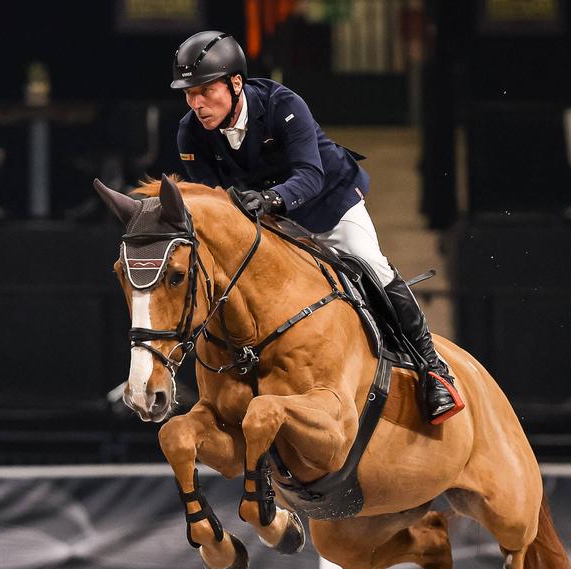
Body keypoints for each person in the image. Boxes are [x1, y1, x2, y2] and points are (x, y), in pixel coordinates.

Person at [170, 30, 461, 424]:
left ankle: (434, 371)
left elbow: (309, 174)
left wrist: (270, 200)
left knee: (369, 263)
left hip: (328, 203)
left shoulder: (282, 105)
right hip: (268, 222)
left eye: (205, 91)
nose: (196, 103)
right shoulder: (191, 132)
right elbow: (210, 199)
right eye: (189, 94)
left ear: (235, 82)